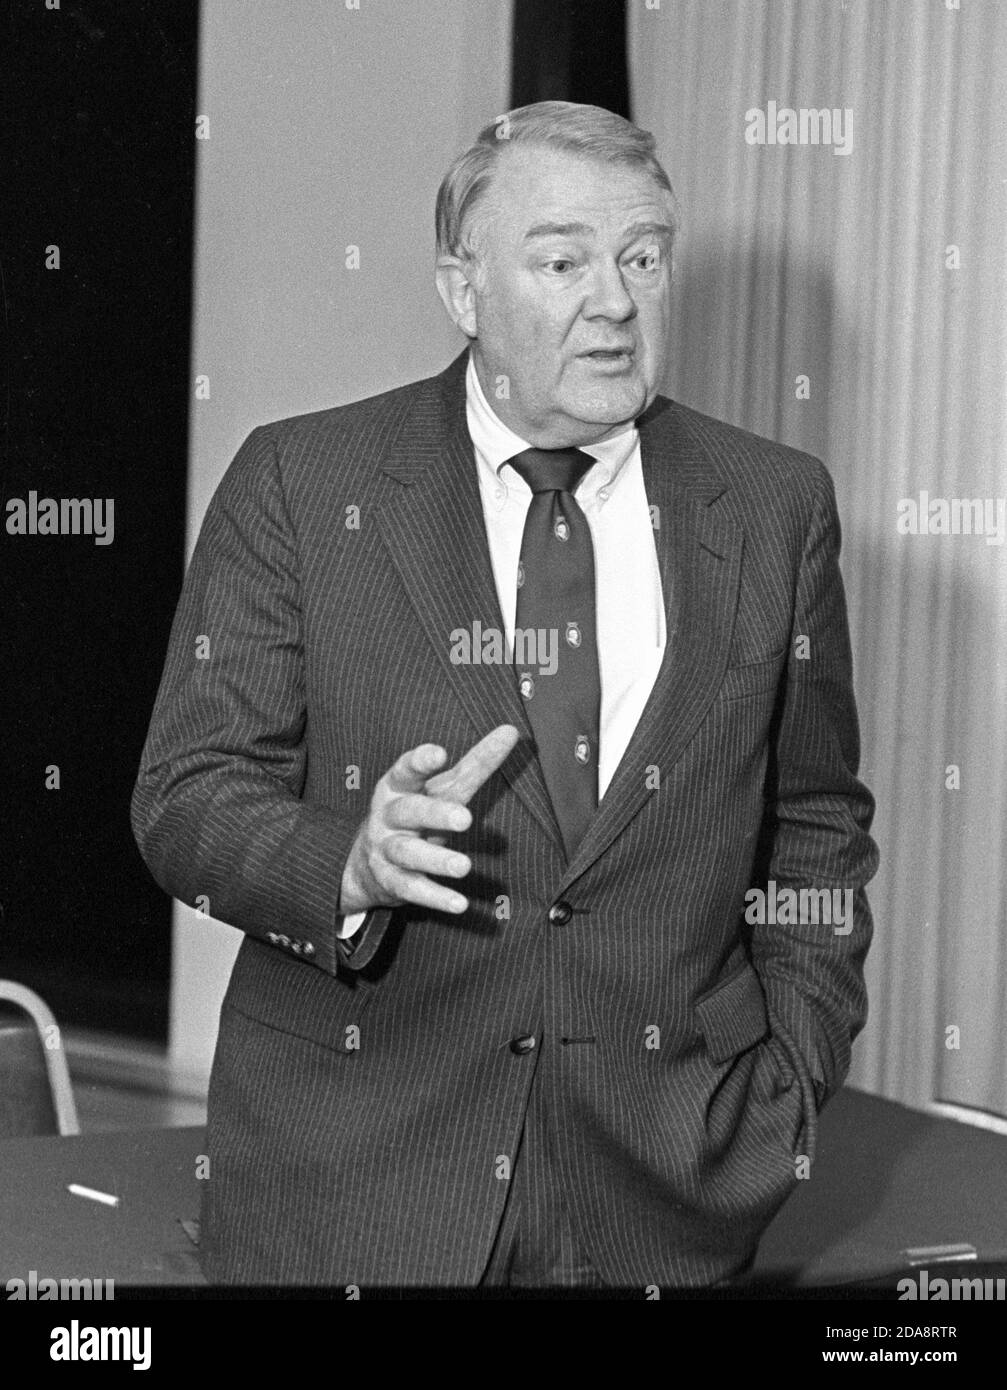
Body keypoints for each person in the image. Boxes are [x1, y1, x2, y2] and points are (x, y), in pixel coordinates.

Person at [132, 101, 878, 1290]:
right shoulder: (303, 482)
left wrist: (786, 1075)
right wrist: (347, 865)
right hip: (355, 1190)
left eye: (642, 256)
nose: (616, 300)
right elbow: (185, 794)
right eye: (563, 260)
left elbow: (816, 825)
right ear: (462, 289)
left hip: (666, 1191)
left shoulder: (773, 506)